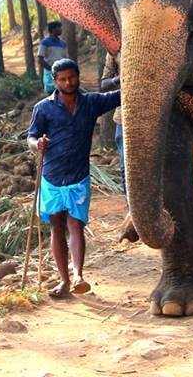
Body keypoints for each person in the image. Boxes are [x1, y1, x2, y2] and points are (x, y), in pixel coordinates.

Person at [27, 59, 121, 298]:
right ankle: (64, 281)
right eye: (62, 79)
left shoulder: (91, 103)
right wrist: (37, 144)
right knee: (57, 227)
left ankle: (78, 275)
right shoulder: (43, 108)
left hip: (79, 177)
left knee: (75, 224)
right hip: (52, 177)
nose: (68, 82)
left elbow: (120, 95)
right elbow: (31, 136)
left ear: (78, 77)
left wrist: (127, 77)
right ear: (55, 81)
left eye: (71, 77)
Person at [100, 52, 124, 194]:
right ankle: (132, 209)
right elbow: (104, 83)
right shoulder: (115, 49)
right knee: (125, 168)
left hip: (153, 114)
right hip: (123, 116)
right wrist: (119, 79)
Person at [37, 21, 68, 93]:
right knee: (52, 92)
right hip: (49, 73)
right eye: (59, 27)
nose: (61, 29)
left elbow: (66, 58)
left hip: (62, 72)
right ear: (53, 29)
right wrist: (52, 69)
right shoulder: (44, 42)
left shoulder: (63, 43)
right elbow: (40, 59)